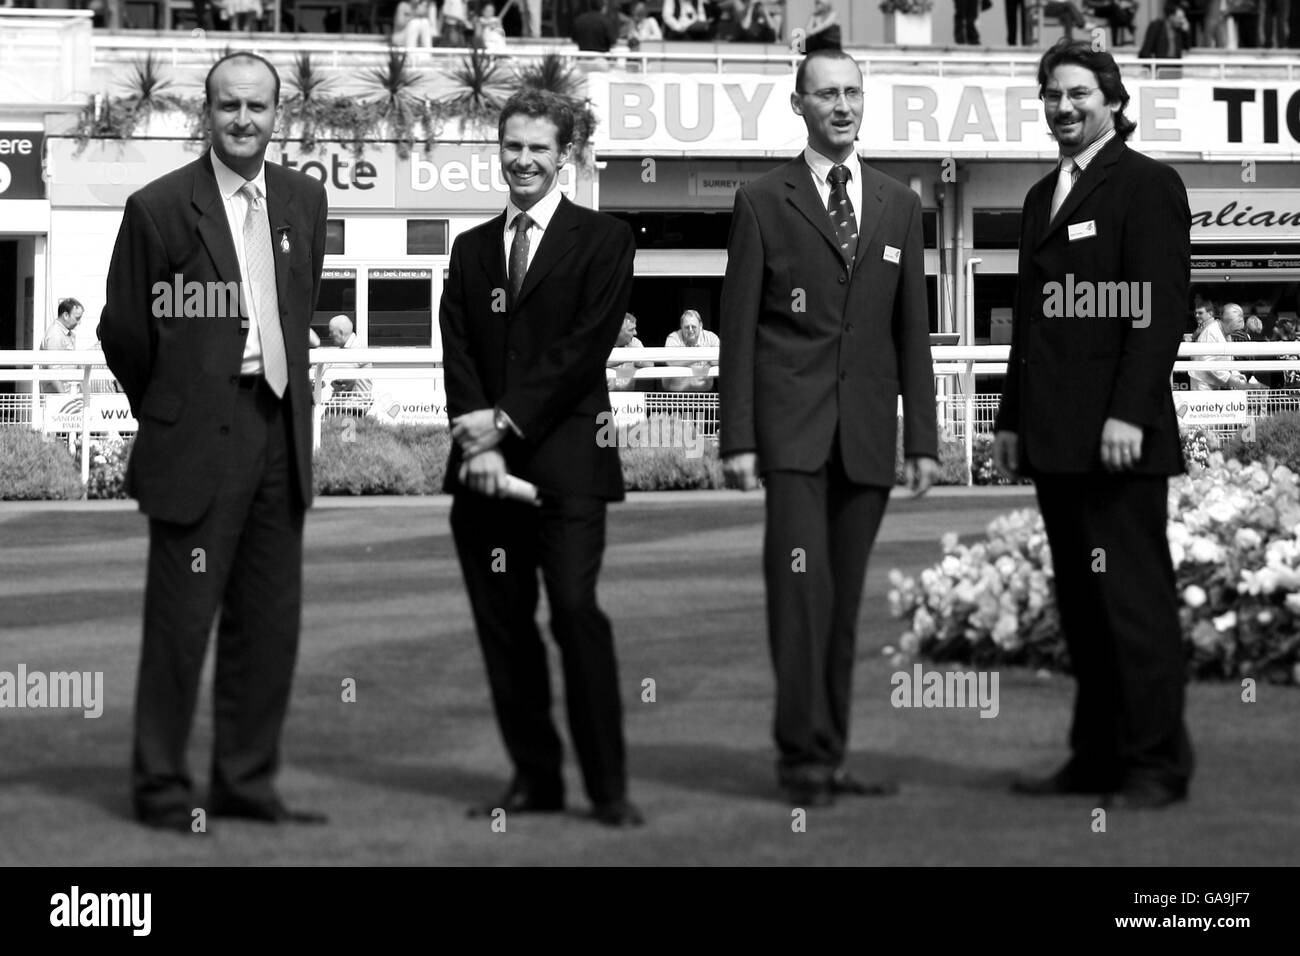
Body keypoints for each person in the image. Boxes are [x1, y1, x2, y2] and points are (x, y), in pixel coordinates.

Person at [98, 51, 329, 833]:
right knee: (180, 625)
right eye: (228, 106)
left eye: (257, 107)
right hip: (197, 442)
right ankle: (161, 788)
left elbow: (297, 308)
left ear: (277, 114)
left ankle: (245, 782)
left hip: (278, 438)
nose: (242, 120)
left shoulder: (304, 199)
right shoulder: (159, 208)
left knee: (268, 626)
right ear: (208, 110)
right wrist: (171, 408)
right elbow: (126, 331)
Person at [720, 49, 939, 807]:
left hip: (871, 438)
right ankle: (800, 759)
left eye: (851, 93)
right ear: (797, 105)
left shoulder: (900, 204)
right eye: (826, 95)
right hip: (789, 438)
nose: (841, 106)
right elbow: (738, 329)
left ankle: (832, 753)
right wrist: (739, 438)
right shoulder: (759, 200)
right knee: (800, 596)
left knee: (844, 607)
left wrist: (925, 442)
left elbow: (914, 329)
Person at [993, 40, 1194, 810]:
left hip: (1119, 441)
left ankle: (1155, 766)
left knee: (1133, 606)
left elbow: (1158, 311)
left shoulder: (1147, 184)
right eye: (1052, 94)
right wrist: (1011, 420)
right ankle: (1096, 758)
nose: (1064, 106)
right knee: (1082, 605)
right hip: (1054, 443)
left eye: (1079, 93)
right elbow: (1033, 330)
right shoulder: (1043, 194)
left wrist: (1125, 414)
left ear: (1111, 101)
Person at [439, 89, 643, 827]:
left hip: (568, 470)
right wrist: (476, 442)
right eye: (512, 145)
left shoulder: (606, 239)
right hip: (482, 478)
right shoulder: (468, 249)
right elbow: (456, 351)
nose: (523, 160)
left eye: (538, 148)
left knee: (577, 614)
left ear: (564, 155)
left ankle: (608, 788)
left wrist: (501, 425)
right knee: (505, 629)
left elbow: (579, 351)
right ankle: (536, 779)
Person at [662, 309, 719, 392]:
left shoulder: (711, 338)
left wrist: (684, 361)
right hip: (675, 393)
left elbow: (722, 358)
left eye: (693, 326)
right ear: (681, 326)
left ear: (701, 325)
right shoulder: (673, 338)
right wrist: (699, 357)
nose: (690, 330)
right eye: (686, 327)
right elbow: (670, 361)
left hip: (704, 394)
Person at [325, 314, 372, 406]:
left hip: (355, 405)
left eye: (331, 332)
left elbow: (340, 372)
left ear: (341, 333)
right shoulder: (346, 347)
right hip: (345, 402)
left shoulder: (357, 348)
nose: (329, 335)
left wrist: (320, 370)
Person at [40, 297, 84, 395]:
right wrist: (64, 397)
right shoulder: (55, 335)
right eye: (77, 318)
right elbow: (53, 370)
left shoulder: (66, 334)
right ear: (66, 315)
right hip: (58, 397)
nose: (79, 322)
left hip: (68, 395)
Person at [1190, 301, 1232, 390]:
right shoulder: (1203, 328)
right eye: (1196, 313)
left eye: (1200, 313)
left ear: (1210, 313)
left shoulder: (1212, 329)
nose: (1197, 315)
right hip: (1204, 377)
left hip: (1205, 379)